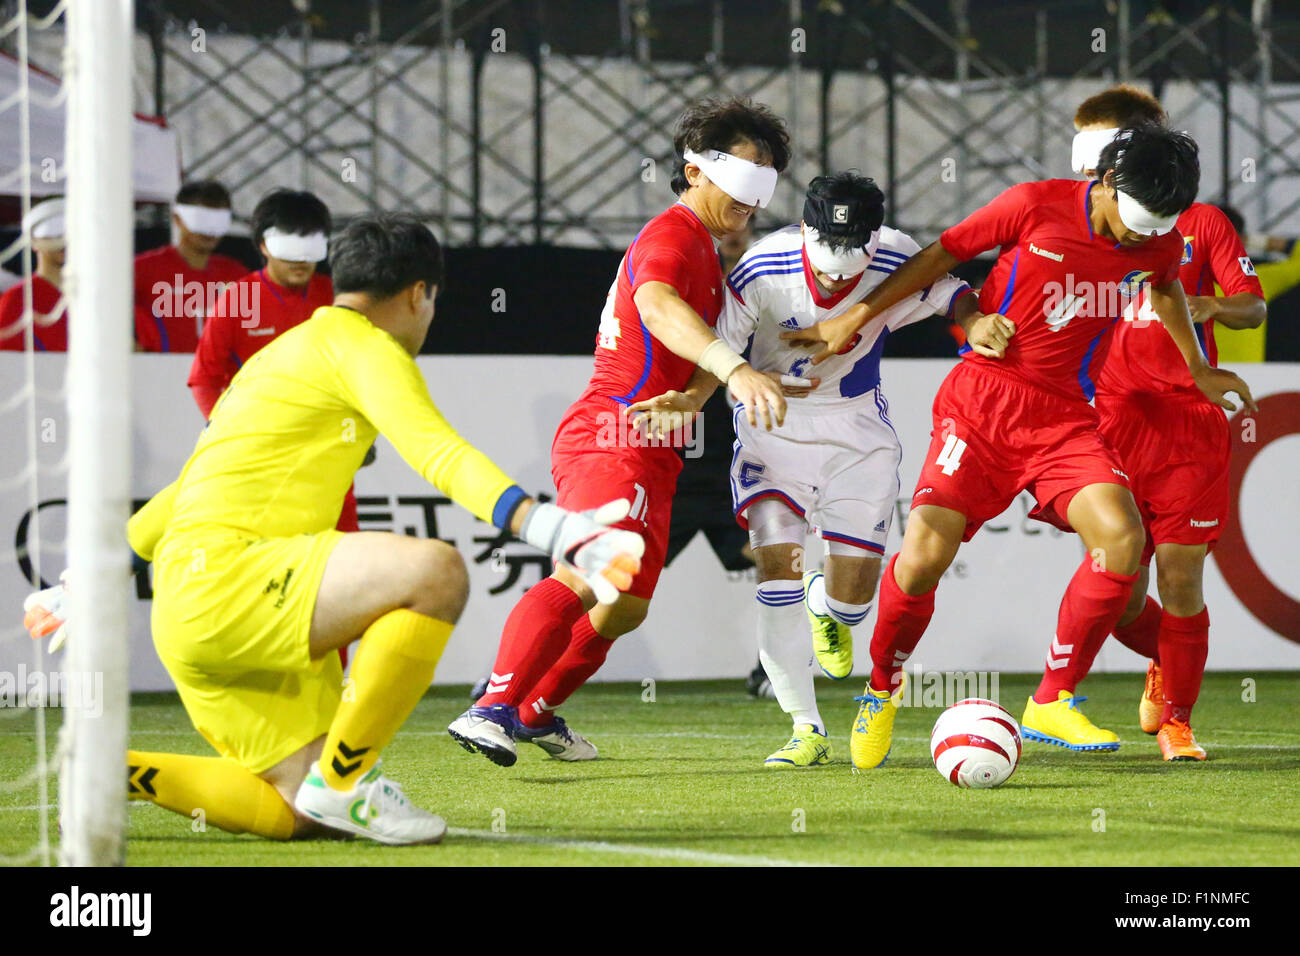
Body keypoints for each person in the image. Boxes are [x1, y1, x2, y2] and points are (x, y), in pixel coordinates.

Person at [24, 214, 644, 844]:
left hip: (189, 618)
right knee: (435, 572)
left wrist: (93, 581)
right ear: (418, 294)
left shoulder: (281, 355)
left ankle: (108, 772)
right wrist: (551, 526)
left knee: (292, 812)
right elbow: (440, 453)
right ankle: (347, 783)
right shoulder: (367, 347)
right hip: (239, 585)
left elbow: (188, 485)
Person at [782, 124, 1255, 768]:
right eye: (1137, 220)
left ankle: (1051, 699)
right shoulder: (1034, 204)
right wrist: (860, 316)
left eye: (1159, 226)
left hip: (1064, 419)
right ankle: (881, 690)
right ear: (1107, 183)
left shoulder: (1159, 243)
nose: (1142, 237)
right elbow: (940, 258)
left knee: (1122, 539)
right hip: (983, 404)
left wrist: (1199, 369)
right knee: (922, 558)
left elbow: (1166, 283)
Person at [448, 97, 793, 766]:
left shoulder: (706, 253)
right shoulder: (670, 237)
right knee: (588, 572)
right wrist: (734, 370)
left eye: (770, 176)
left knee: (625, 606)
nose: (759, 193)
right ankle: (490, 705)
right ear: (695, 170)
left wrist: (699, 393)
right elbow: (656, 306)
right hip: (613, 431)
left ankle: (533, 710)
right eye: (749, 171)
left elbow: (698, 345)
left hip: (655, 445)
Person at [714, 170, 976, 767]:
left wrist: (973, 318)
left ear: (875, 238)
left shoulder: (898, 255)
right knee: (774, 576)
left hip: (858, 433)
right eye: (827, 256)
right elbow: (718, 351)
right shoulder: (761, 266)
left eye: (852, 258)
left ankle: (825, 604)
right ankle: (804, 728)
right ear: (804, 228)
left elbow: (950, 291)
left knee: (852, 604)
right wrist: (748, 383)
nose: (837, 272)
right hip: (772, 431)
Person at [1069, 87, 1266, 760]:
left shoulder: (1202, 223)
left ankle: (1178, 718)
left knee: (1180, 580)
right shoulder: (1088, 221)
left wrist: (1211, 306)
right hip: (1114, 417)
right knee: (1118, 593)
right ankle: (1169, 658)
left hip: (1188, 425)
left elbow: (1253, 310)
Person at [186, 189, 361, 533]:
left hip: (327, 452)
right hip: (260, 456)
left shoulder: (337, 296)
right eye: (289, 246)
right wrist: (228, 430)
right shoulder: (238, 299)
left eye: (310, 246)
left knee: (341, 550)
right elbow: (203, 378)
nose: (301, 260)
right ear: (263, 246)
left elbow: (359, 369)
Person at [133, 180, 247, 353]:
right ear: (178, 219)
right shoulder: (143, 269)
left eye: (217, 221)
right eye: (200, 219)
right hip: (159, 373)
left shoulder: (237, 275)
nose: (208, 230)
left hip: (223, 376)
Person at [1213, 203, 1300, 363]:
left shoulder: (1257, 281)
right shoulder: (1177, 282)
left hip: (1250, 382)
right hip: (1194, 383)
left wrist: (1256, 240)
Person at [0, 198, 68, 352]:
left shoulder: (94, 296)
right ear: (33, 241)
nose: (62, 241)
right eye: (52, 233)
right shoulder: (17, 299)